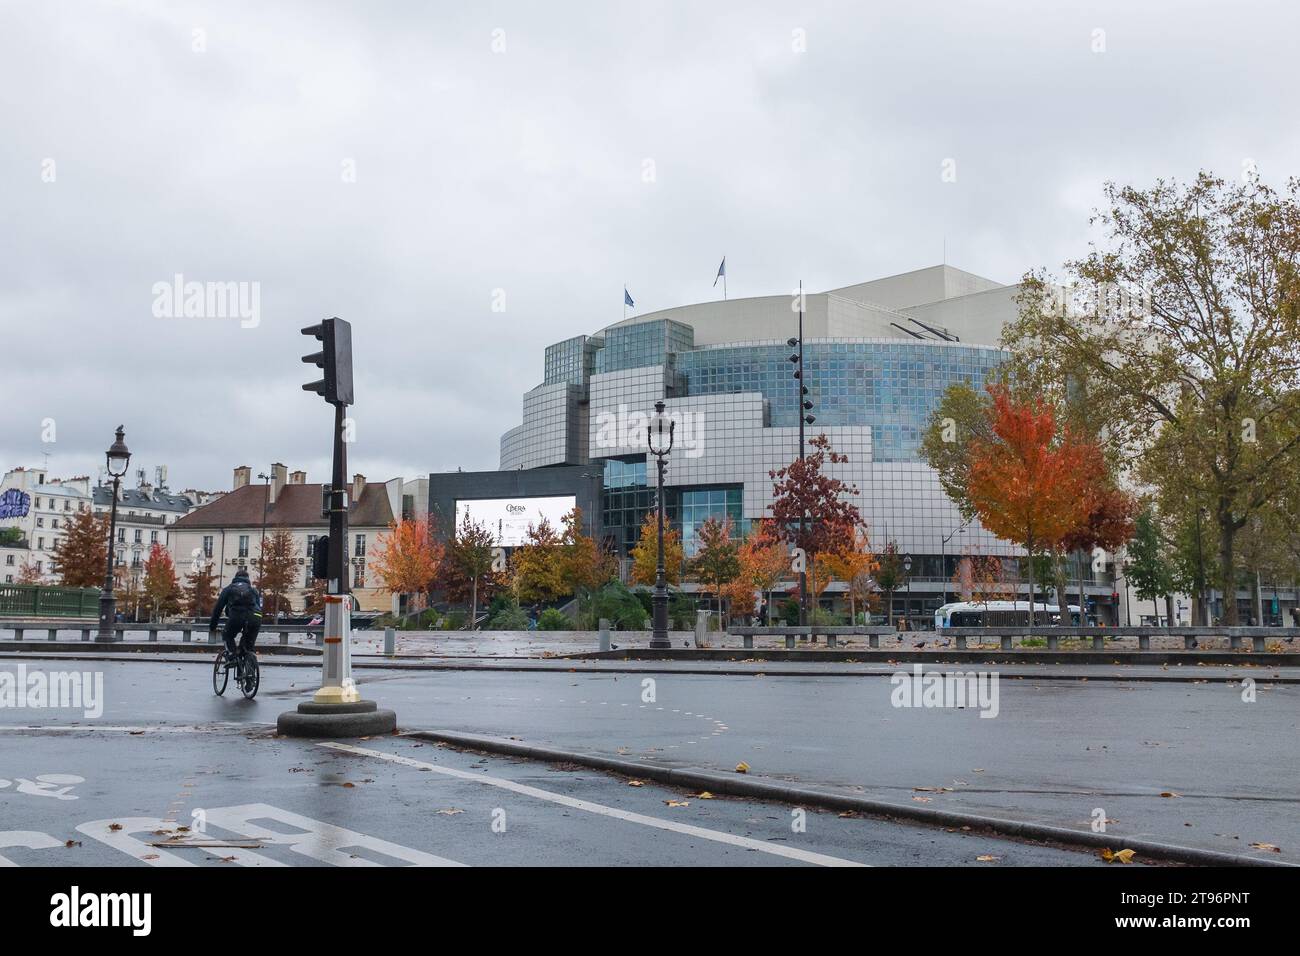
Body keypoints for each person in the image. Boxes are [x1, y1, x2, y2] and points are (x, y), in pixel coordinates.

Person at [208, 568, 263, 666]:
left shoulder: (229, 589)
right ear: (247, 579)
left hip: (237, 616)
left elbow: (218, 609)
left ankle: (232, 656)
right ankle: (250, 661)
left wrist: (212, 626)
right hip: (255, 617)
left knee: (227, 635)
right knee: (248, 644)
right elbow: (259, 607)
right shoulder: (253, 590)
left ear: (235, 578)